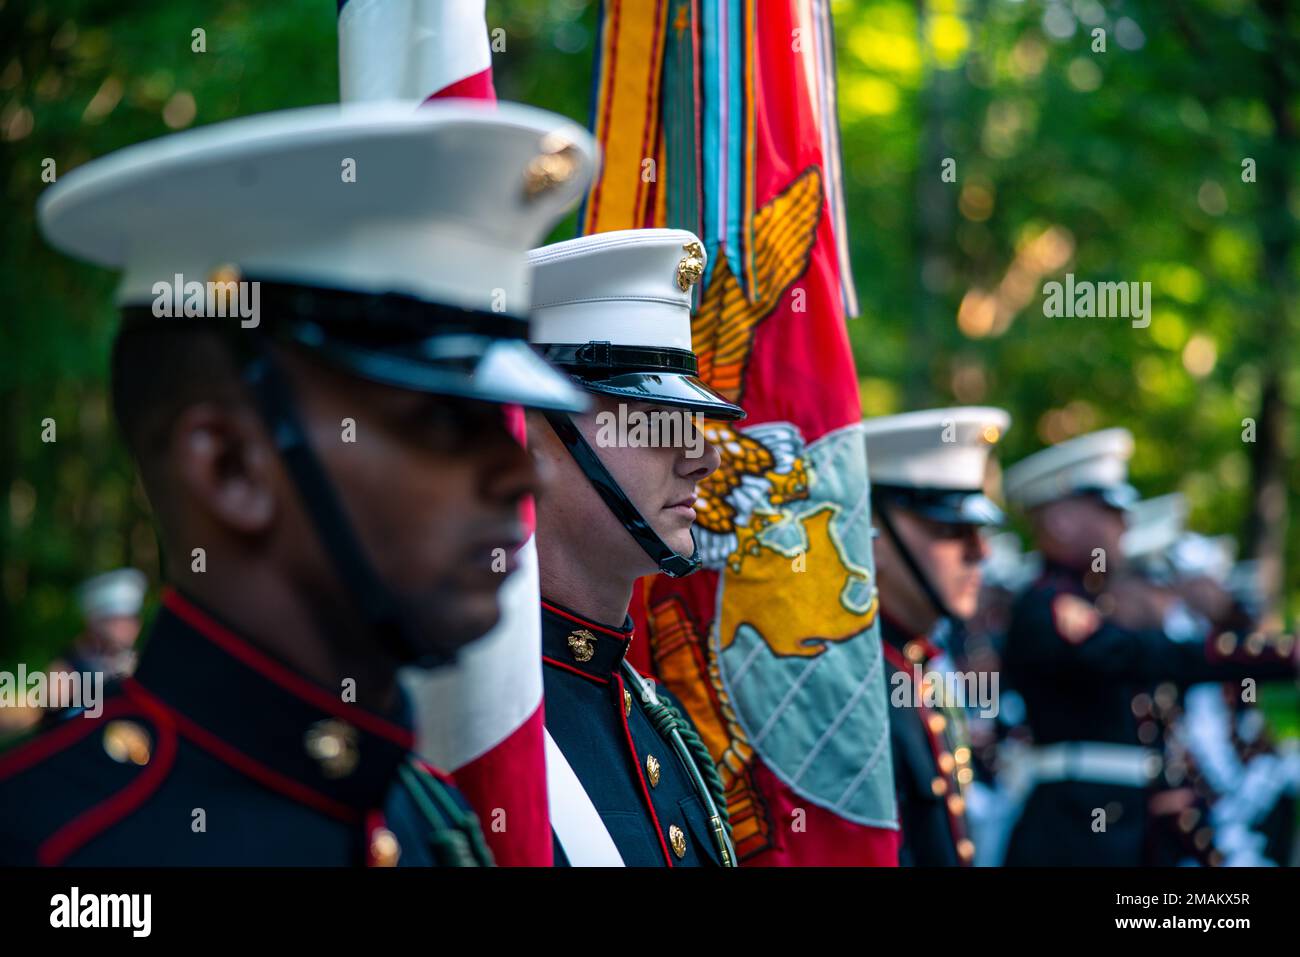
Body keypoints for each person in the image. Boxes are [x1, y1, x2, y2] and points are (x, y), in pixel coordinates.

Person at [0, 100, 596, 866]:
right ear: (231, 467)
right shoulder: (52, 851)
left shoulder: (424, 814)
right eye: (444, 422)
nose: (521, 472)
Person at [524, 228, 742, 866]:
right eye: (652, 418)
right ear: (530, 432)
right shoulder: (477, 725)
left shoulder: (651, 712)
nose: (701, 457)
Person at [998, 428, 1297, 866]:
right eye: (1108, 510)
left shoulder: (1086, 602)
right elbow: (1146, 655)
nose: (1124, 523)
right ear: (1060, 521)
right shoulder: (1048, 604)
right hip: (1078, 831)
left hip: (1118, 825)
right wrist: (1278, 654)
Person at [864, 406, 1010, 865]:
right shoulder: (857, 685)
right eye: (949, 528)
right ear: (874, 537)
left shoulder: (916, 666)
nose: (980, 550)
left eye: (979, 529)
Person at [66, 568, 149, 679]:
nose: (128, 627)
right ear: (94, 623)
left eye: (131, 619)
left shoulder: (145, 664)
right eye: (117, 620)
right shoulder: (68, 670)